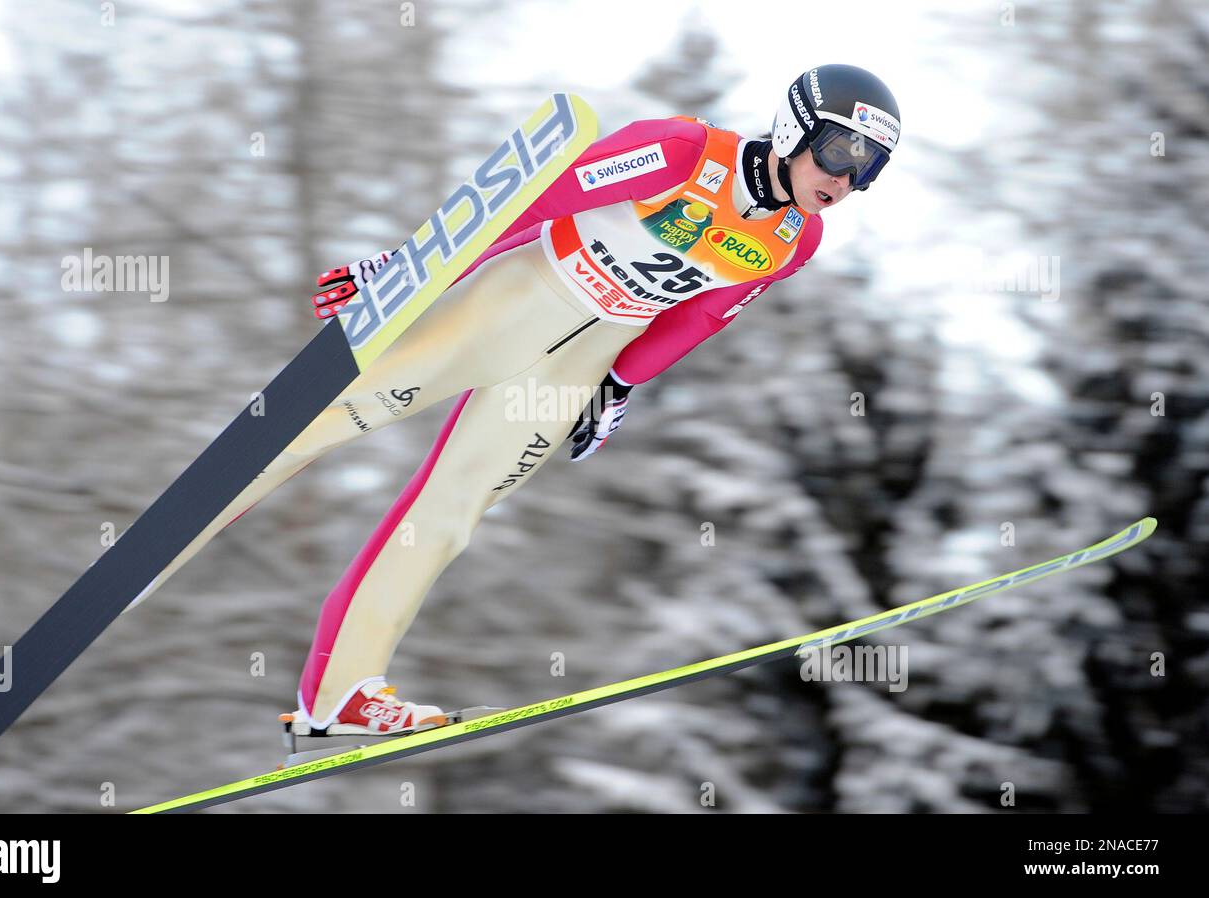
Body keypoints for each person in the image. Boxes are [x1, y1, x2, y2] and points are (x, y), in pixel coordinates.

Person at [131, 64, 902, 737]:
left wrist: (619, 385)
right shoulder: (683, 151)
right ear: (798, 125)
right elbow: (536, 195)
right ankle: (155, 553)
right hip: (515, 297)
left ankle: (342, 692)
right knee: (335, 414)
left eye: (869, 171)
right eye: (842, 153)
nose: (847, 180)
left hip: (579, 358)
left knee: (453, 510)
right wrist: (410, 267)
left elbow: (698, 316)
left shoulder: (793, 241)